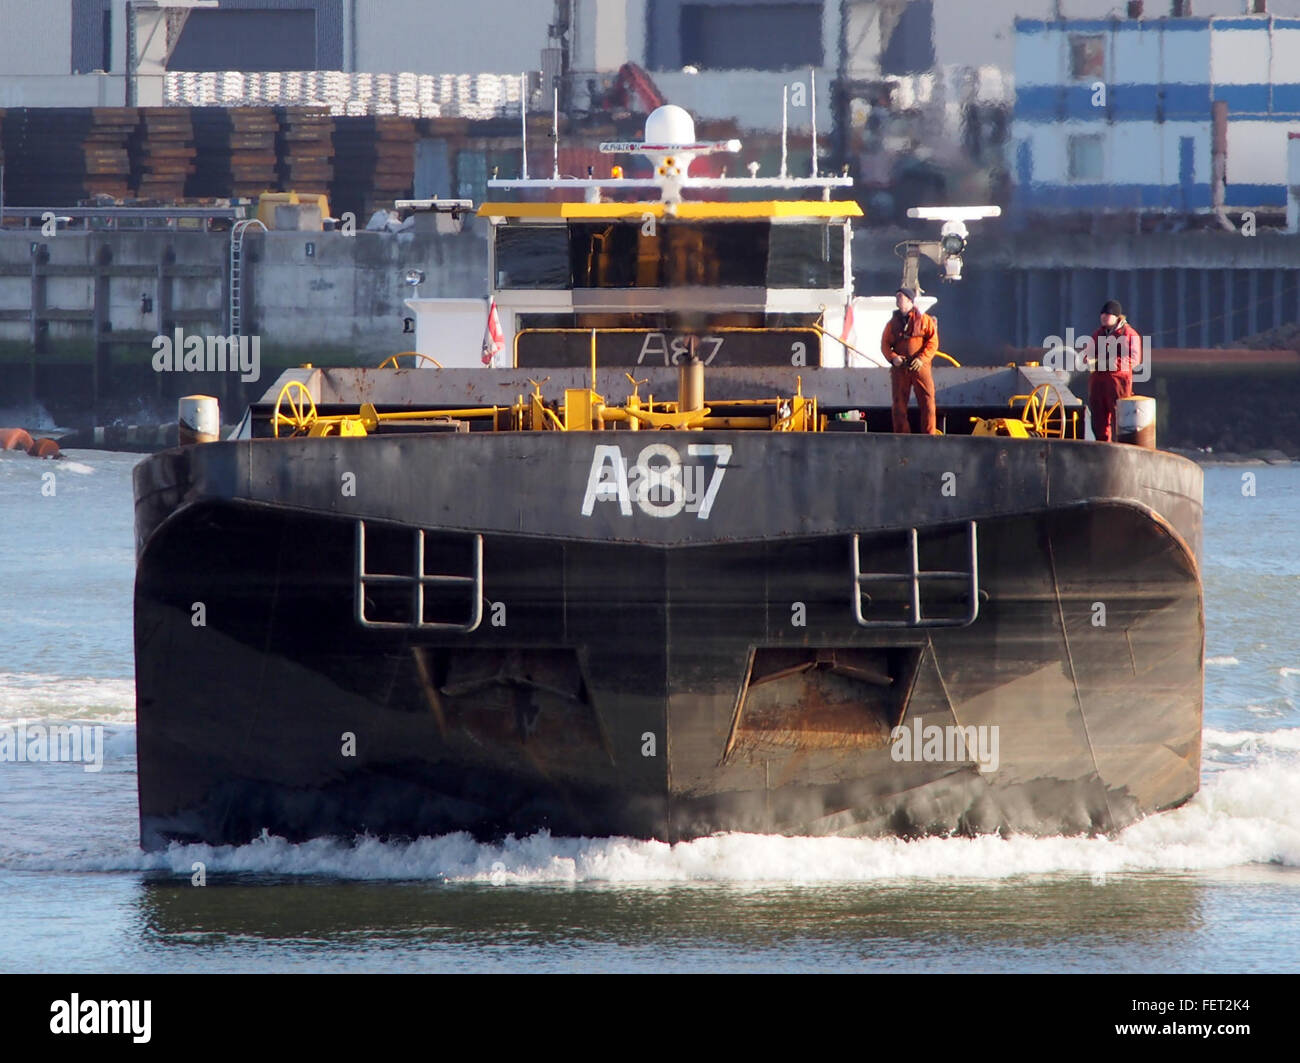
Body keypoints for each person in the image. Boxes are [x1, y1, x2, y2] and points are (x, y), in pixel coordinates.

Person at [881, 287, 939, 434]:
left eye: (900, 297)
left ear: (909, 300)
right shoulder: (892, 324)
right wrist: (894, 359)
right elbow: (885, 345)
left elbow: (933, 342)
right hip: (901, 369)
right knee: (899, 404)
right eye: (897, 297)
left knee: (928, 402)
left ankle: (929, 435)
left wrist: (921, 359)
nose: (897, 300)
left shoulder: (925, 320)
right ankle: (902, 436)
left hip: (920, 367)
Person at [1088, 299, 1142, 442]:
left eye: (1108, 314)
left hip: (1118, 383)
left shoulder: (1129, 334)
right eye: (1102, 314)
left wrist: (1110, 363)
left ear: (1117, 316)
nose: (1104, 317)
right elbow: (1088, 354)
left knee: (1120, 418)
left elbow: (1134, 359)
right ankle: (1102, 447)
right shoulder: (1097, 334)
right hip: (1097, 384)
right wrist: (1088, 360)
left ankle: (1120, 447)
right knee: (1098, 420)